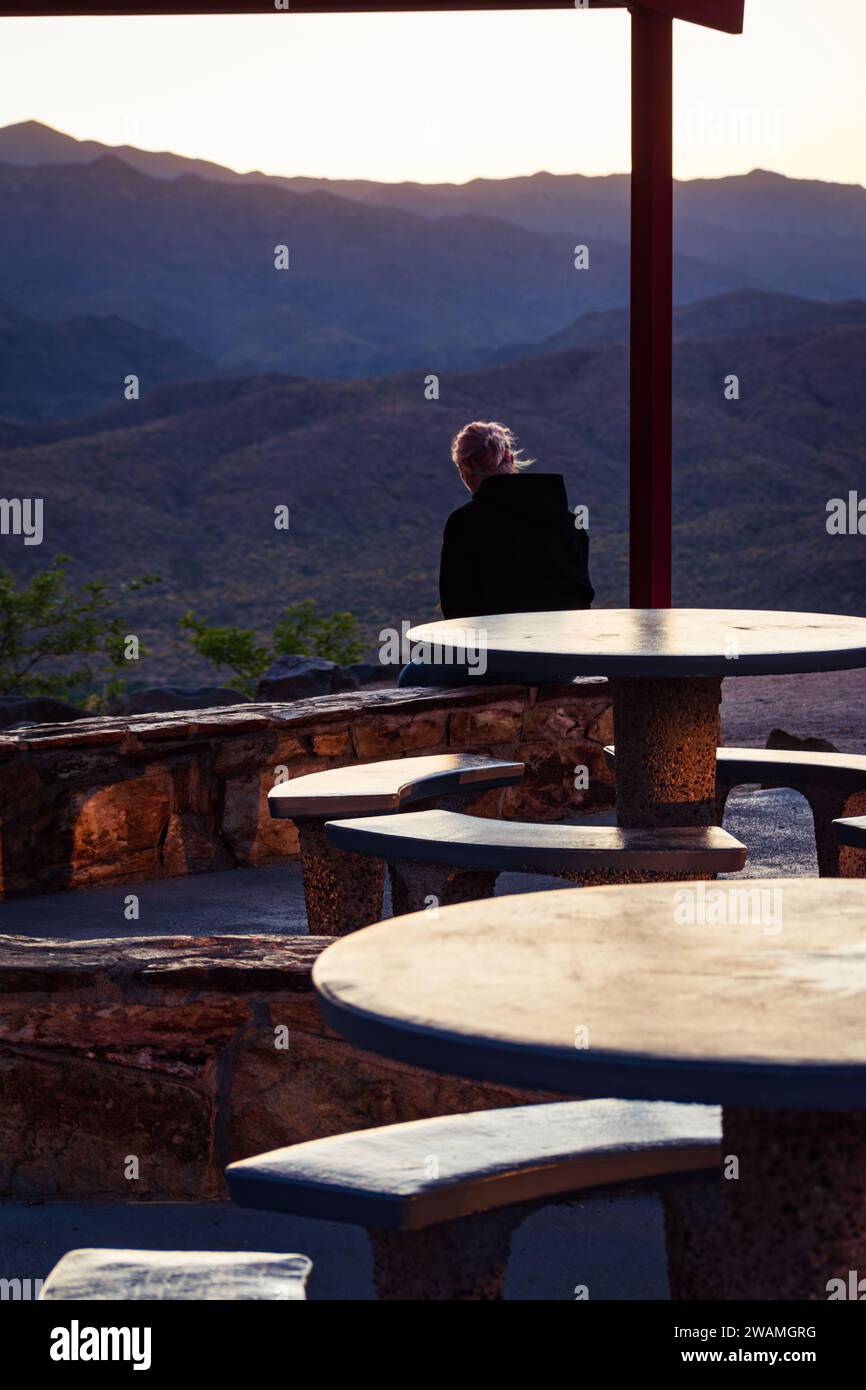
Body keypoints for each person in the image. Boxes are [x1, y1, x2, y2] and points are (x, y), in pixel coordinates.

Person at [439, 420, 594, 618]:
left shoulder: (464, 524)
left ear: (466, 466)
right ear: (510, 459)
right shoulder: (569, 522)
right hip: (567, 642)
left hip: (500, 645)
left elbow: (456, 608)